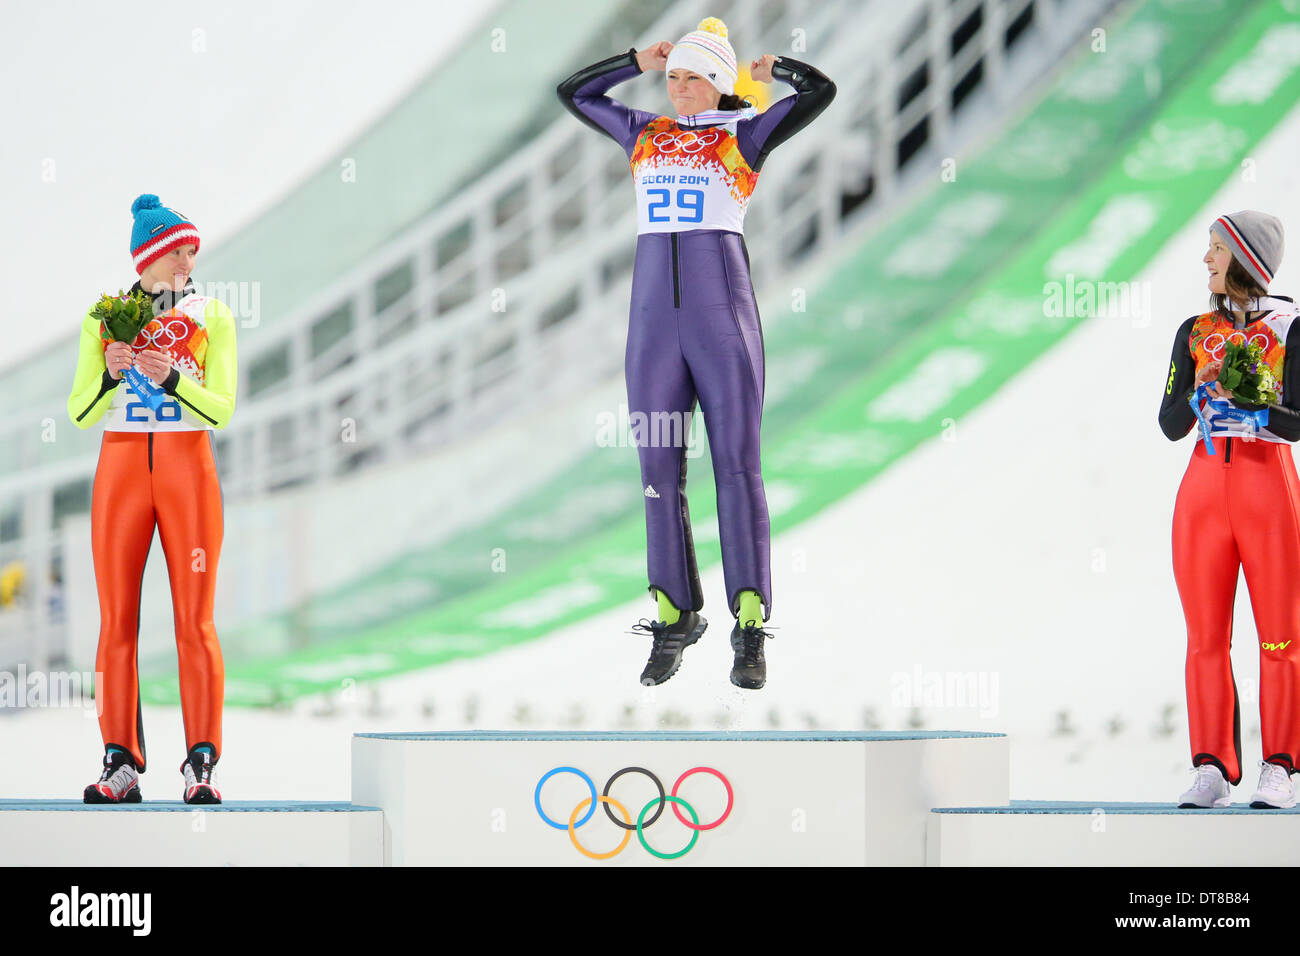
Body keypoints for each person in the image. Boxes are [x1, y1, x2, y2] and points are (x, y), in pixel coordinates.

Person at [557, 18, 835, 689]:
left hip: (722, 321)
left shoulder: (745, 134)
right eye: (673, 76)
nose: (679, 87)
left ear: (717, 84)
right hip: (653, 329)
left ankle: (750, 627)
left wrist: (774, 72)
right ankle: (675, 614)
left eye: (693, 76)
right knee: (657, 470)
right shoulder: (643, 133)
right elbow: (576, 95)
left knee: (737, 467)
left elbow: (820, 92)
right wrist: (634, 60)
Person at [68, 194, 237, 803]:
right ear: (152, 256)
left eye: (193, 251)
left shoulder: (212, 313)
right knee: (116, 620)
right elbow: (81, 413)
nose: (190, 261)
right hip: (120, 470)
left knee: (194, 620)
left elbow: (222, 409)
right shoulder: (103, 315)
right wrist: (112, 374)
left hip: (186, 468)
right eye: (180, 251)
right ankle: (120, 761)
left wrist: (174, 379)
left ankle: (201, 763)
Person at [1158, 210, 1299, 809]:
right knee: (1204, 638)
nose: (1207, 258)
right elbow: (1169, 424)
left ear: (1246, 258)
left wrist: (1256, 408)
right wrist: (1199, 390)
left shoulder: (1291, 327)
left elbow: (1298, 422)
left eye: (1216, 248)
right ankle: (1212, 764)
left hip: (1267, 488)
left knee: (1280, 639)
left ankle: (1282, 766)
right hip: (1202, 491)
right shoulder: (1194, 330)